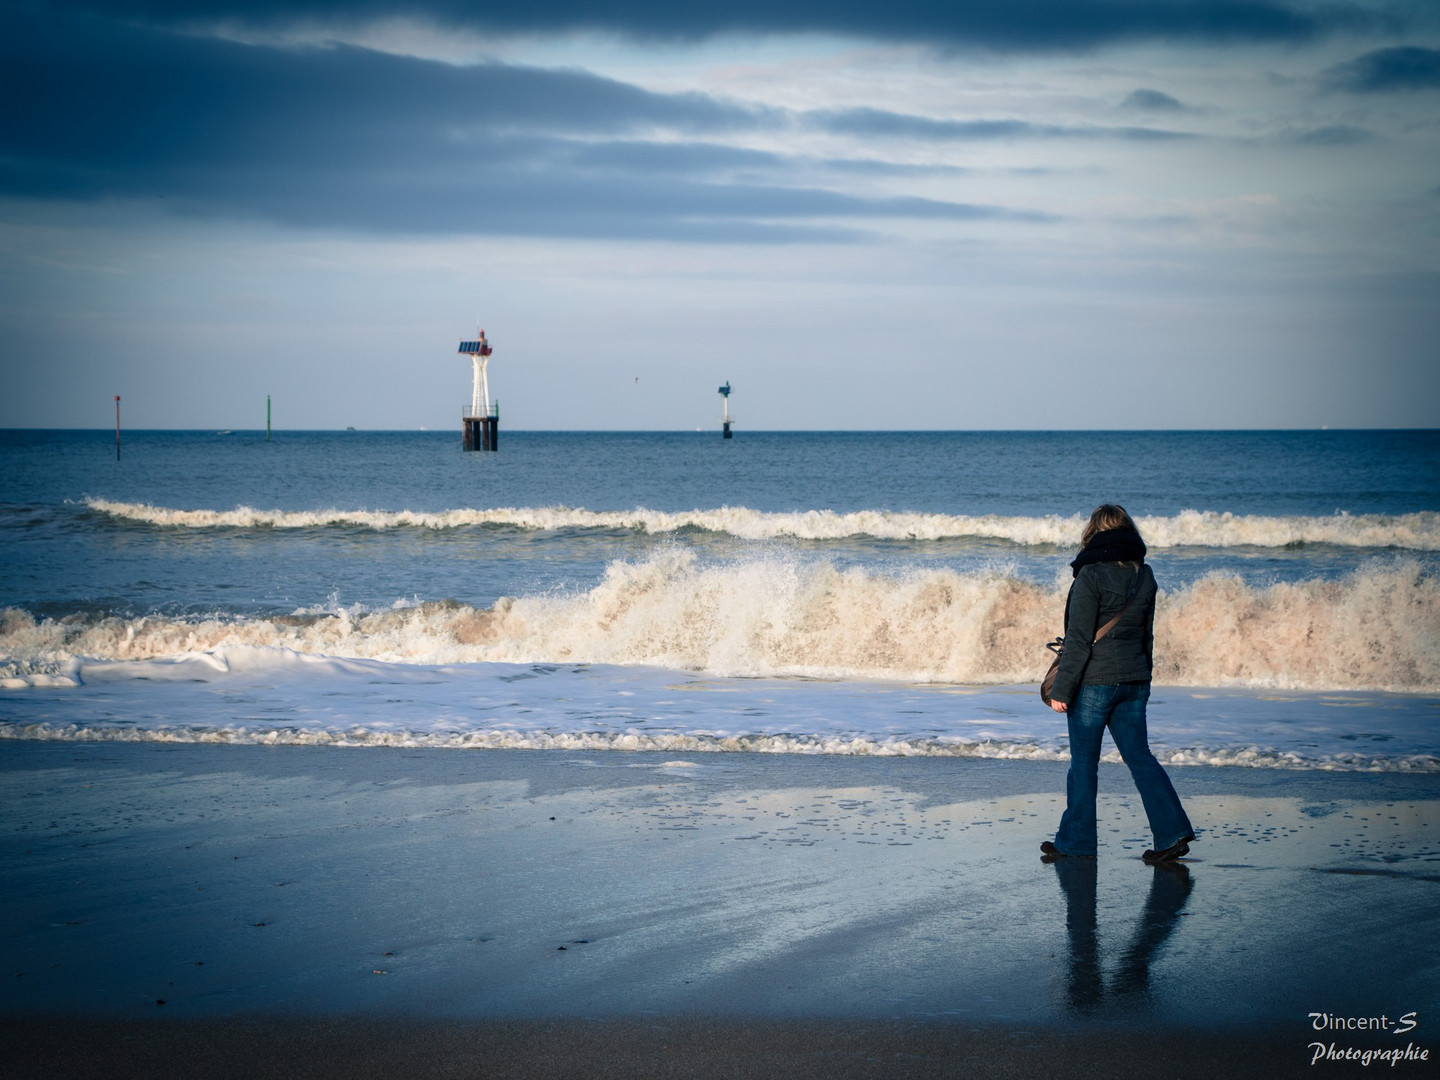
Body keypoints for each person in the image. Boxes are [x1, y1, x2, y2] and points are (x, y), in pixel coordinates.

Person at [1041, 504, 1195, 863]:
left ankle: (1076, 843)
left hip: (1094, 683)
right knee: (1141, 758)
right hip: (1134, 680)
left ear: (1094, 533)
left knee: (1083, 764)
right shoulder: (1145, 575)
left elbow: (1078, 640)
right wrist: (1146, 678)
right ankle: (1172, 833)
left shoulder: (1090, 576)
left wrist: (1062, 691)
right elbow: (1147, 635)